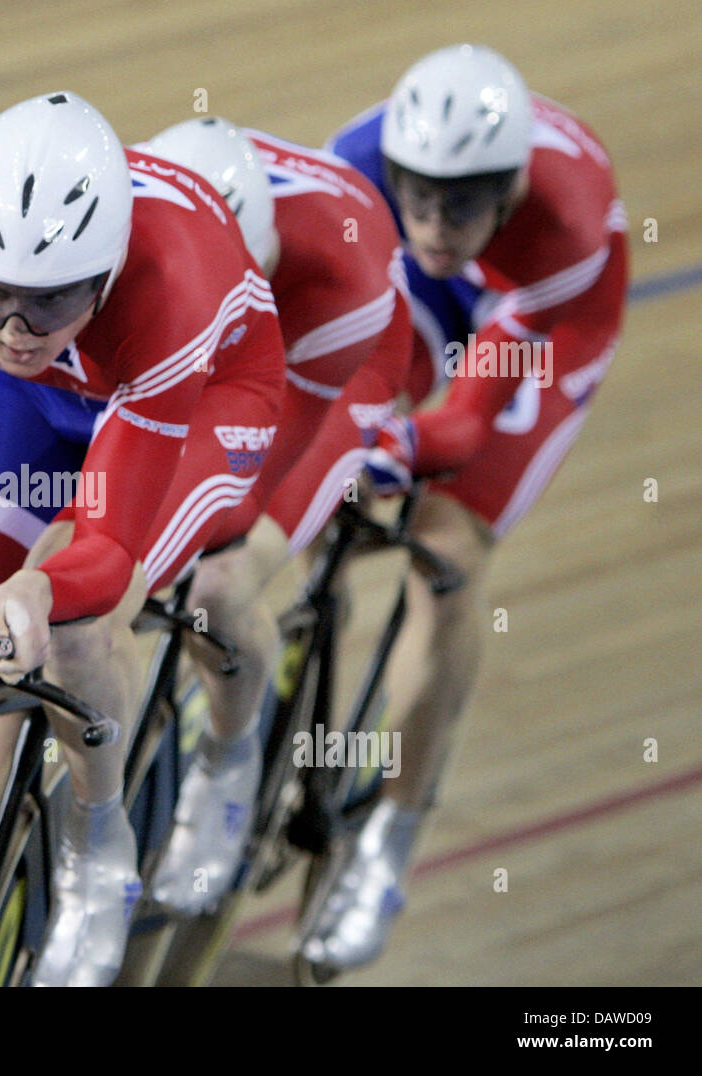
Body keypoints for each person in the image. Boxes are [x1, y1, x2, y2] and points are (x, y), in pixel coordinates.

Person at [0, 91, 286, 986]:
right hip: (48, 395)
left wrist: (42, 587)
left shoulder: (167, 289)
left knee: (77, 613)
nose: (11, 327)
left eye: (43, 303)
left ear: (105, 274)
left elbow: (107, 545)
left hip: (205, 400)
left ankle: (97, 843)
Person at [296, 42, 628, 971]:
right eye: (422, 196)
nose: (438, 221)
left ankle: (387, 845)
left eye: (464, 203)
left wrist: (394, 449)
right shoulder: (352, 171)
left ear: (511, 188)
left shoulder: (564, 223)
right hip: (426, 294)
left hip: (538, 330)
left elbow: (461, 422)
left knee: (443, 556)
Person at [136, 117, 413, 914]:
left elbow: (246, 484)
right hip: (200, 321)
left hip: (332, 359)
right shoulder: (134, 219)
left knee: (219, 574)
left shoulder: (335, 273)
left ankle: (229, 762)